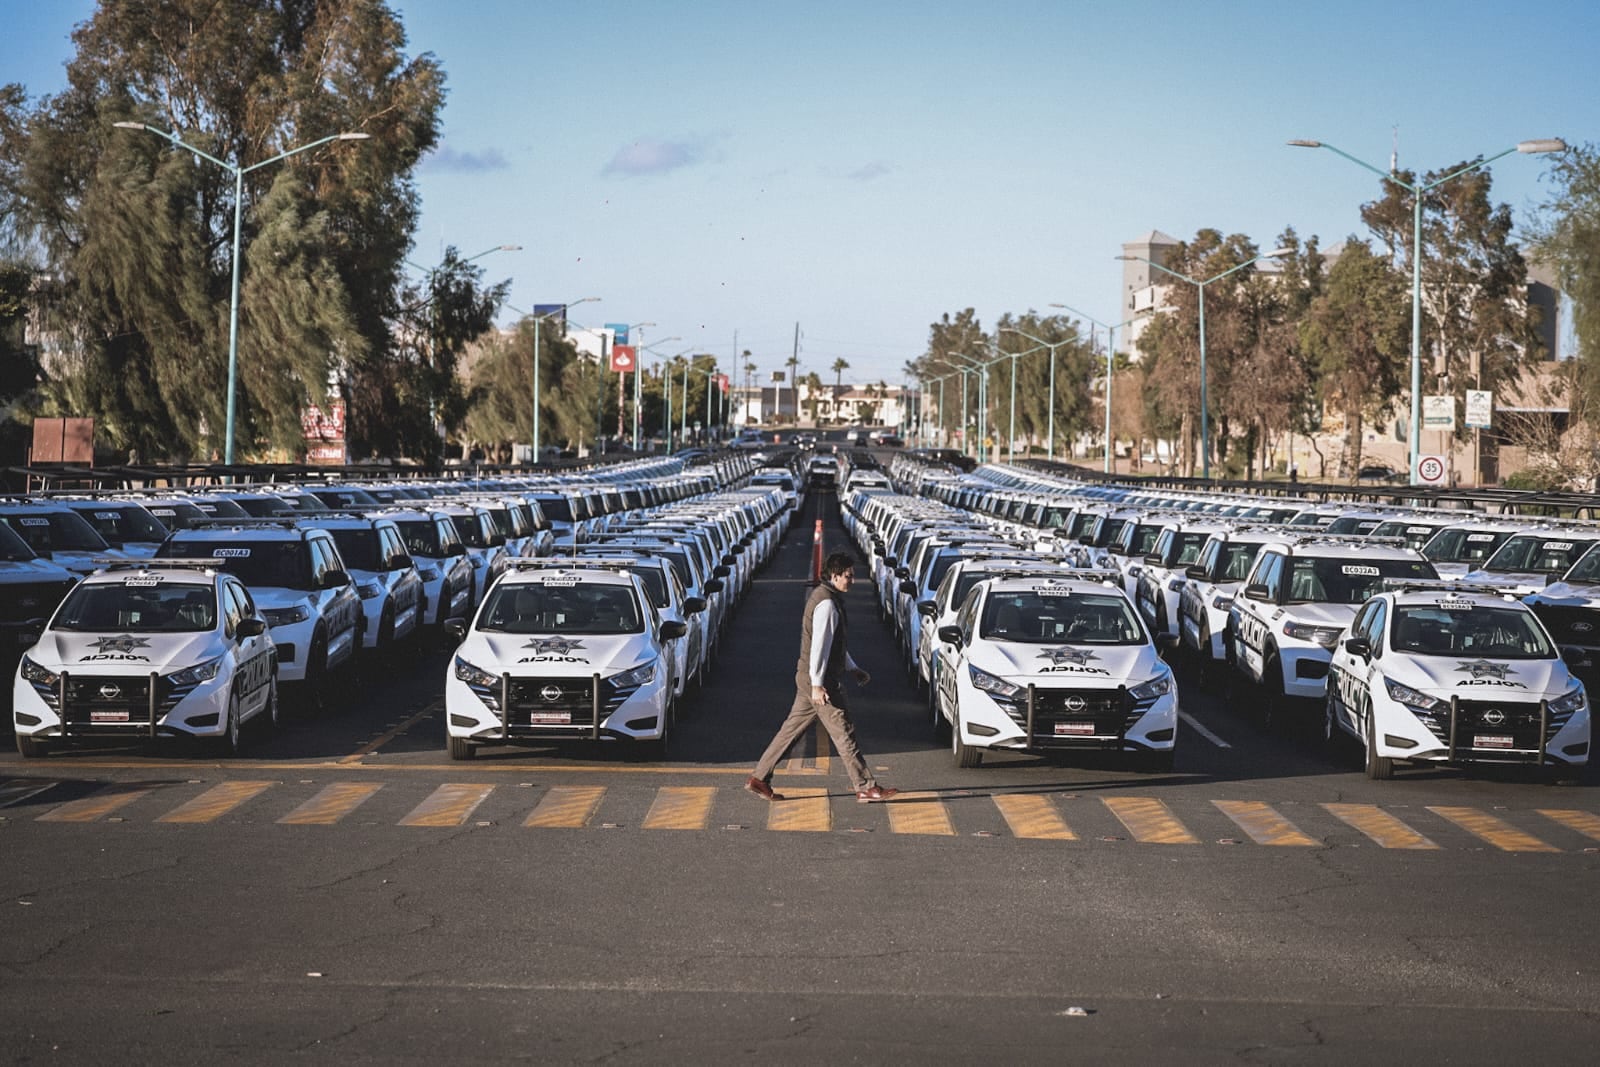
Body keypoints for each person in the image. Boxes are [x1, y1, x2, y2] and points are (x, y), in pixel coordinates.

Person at [746, 552, 899, 803]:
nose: (852, 580)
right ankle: (864, 786)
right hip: (820, 682)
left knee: (790, 730)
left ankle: (759, 779)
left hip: (810, 678)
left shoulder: (829, 598)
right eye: (848, 576)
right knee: (843, 731)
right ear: (835, 575)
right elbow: (819, 647)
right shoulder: (827, 604)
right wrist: (818, 685)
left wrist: (852, 668)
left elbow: (833, 645)